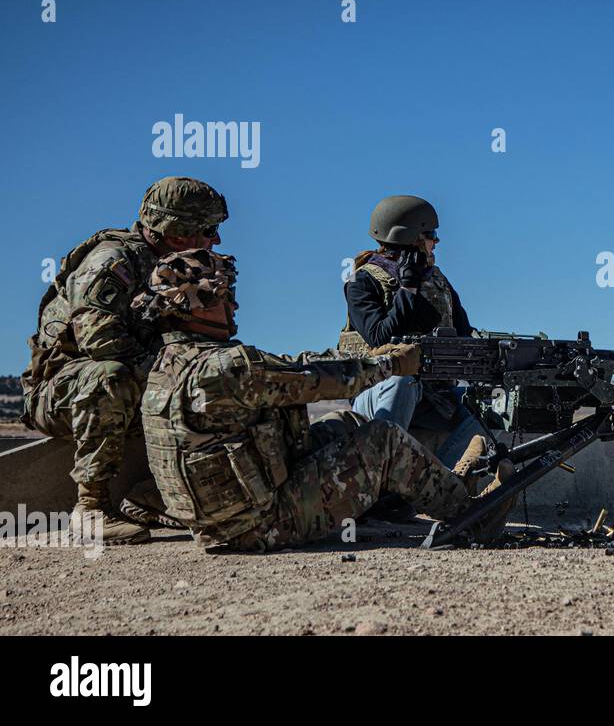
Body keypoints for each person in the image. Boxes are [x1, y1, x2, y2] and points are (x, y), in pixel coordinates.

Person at [134, 249, 512, 552]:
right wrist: (393, 363)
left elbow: (294, 367)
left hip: (222, 518)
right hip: (259, 525)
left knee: (348, 426)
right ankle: (473, 516)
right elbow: (317, 380)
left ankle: (443, 484)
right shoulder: (224, 367)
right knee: (382, 439)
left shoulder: (168, 366)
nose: (233, 307)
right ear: (196, 304)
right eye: (224, 297)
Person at [20, 176, 228, 544]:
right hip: (65, 392)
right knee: (111, 375)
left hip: (133, 385)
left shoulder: (175, 264)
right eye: (208, 229)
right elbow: (100, 339)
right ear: (178, 232)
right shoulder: (113, 262)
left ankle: (158, 496)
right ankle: (91, 508)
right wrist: (168, 378)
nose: (216, 240)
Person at [338, 195, 476, 467]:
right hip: (377, 390)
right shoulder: (362, 281)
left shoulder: (437, 279)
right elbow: (380, 338)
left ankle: (449, 477)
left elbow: (464, 334)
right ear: (411, 238)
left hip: (434, 396)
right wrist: (408, 288)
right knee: (403, 381)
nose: (436, 242)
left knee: (493, 405)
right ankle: (381, 476)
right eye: (430, 234)